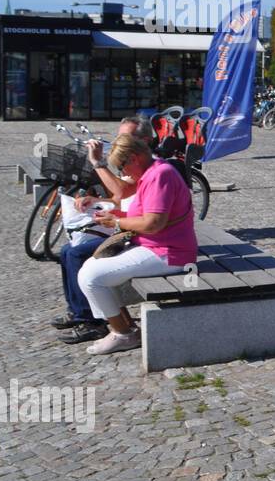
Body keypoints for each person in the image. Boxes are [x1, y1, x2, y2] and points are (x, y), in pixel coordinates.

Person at [77, 134, 198, 356]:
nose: (123, 174)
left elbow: (153, 223)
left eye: (122, 167)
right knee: (91, 268)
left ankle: (124, 334)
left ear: (134, 158)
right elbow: (145, 215)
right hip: (158, 246)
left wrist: (116, 221)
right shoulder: (154, 171)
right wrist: (114, 214)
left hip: (169, 253)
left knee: (91, 276)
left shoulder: (160, 175)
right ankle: (124, 328)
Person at [52, 115, 155, 344]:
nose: (118, 141)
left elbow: (122, 193)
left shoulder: (145, 164)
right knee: (68, 250)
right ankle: (78, 310)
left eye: (125, 137)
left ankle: (91, 322)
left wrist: (98, 163)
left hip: (136, 234)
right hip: (127, 225)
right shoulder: (136, 162)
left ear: (144, 141)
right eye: (118, 136)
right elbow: (123, 199)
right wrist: (96, 200)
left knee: (78, 254)